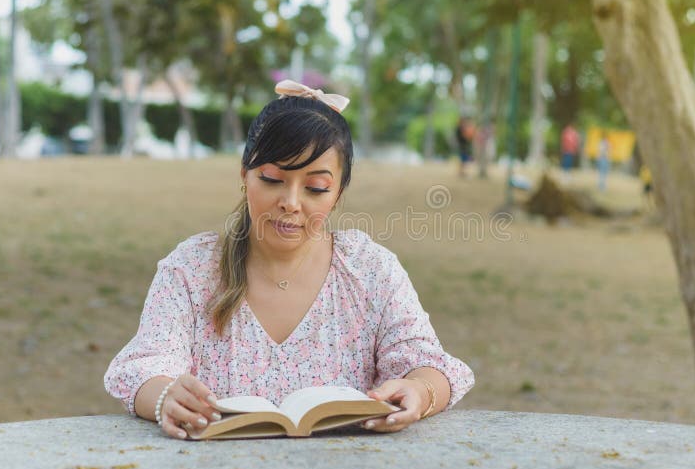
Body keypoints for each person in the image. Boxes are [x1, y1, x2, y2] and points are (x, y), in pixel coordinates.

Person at [105, 79, 475, 439]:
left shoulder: (370, 270)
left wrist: (421, 393)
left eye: (316, 188)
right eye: (272, 179)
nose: (291, 203)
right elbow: (145, 367)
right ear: (244, 176)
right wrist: (166, 397)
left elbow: (427, 363)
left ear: (338, 192)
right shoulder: (191, 270)